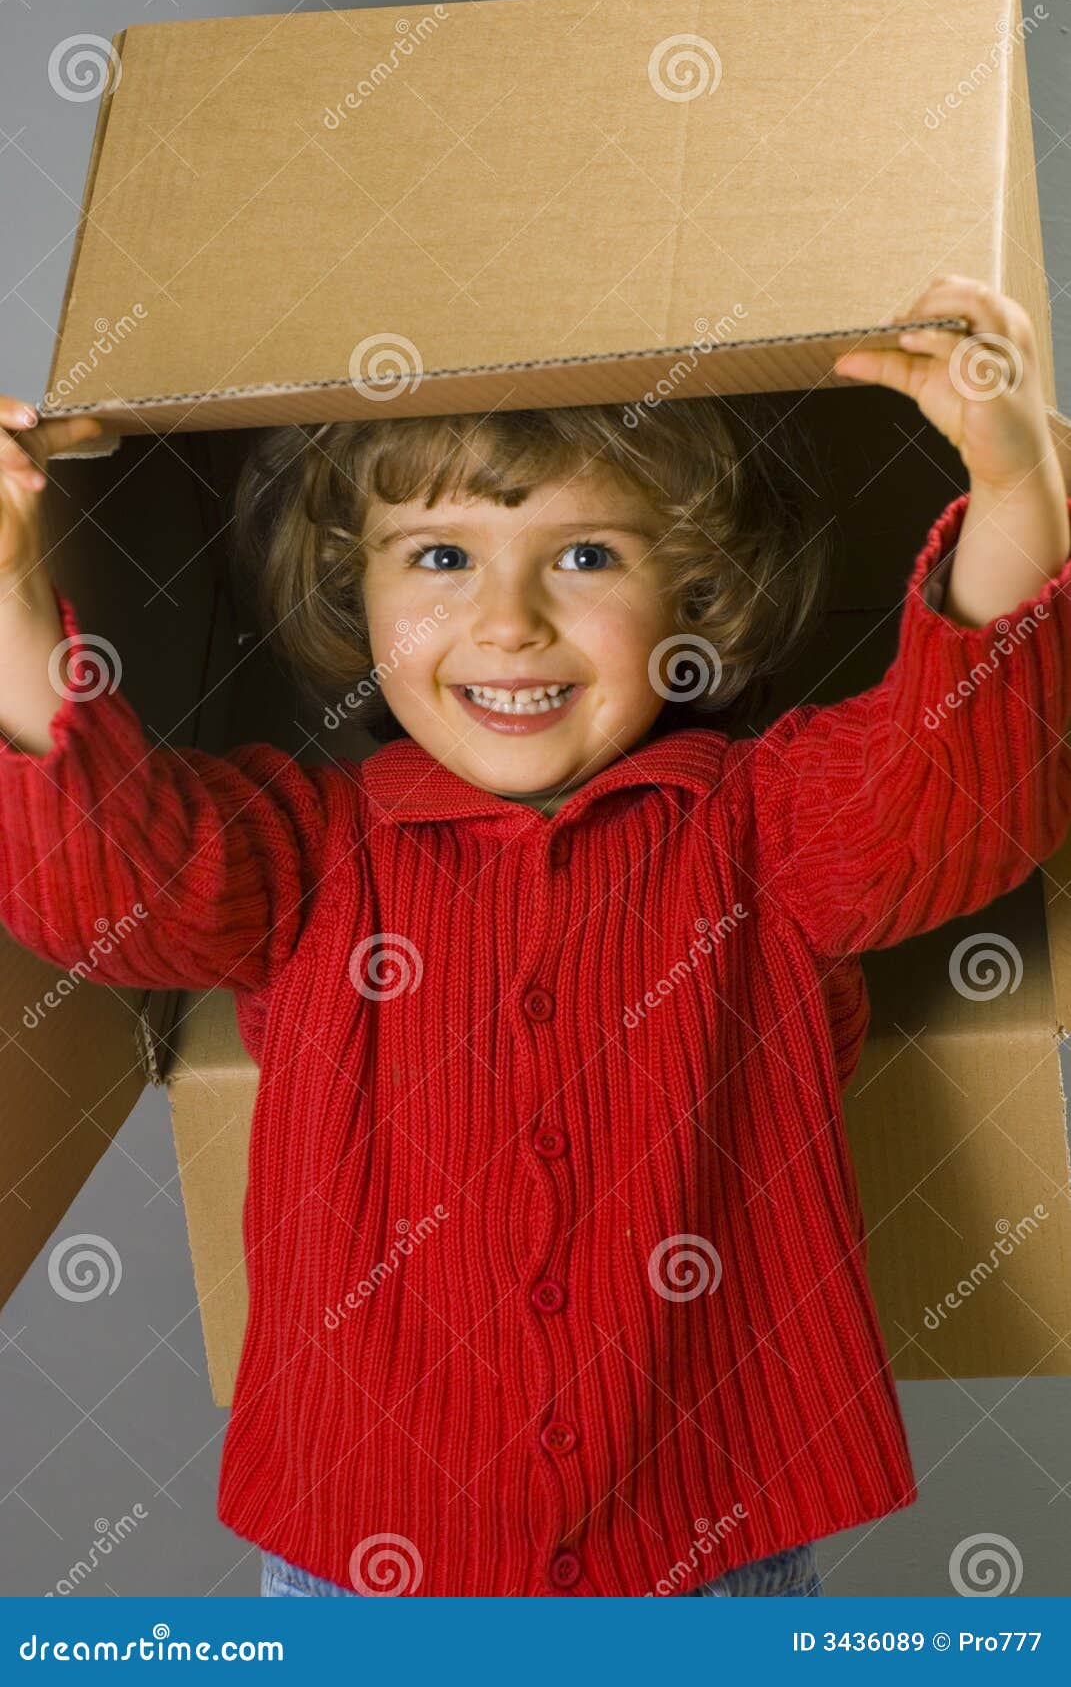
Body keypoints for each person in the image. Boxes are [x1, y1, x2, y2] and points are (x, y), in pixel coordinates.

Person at [1, 274, 1068, 1598]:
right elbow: (107, 878)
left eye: (586, 554)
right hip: (364, 1548)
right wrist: (12, 594)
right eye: (440, 557)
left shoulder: (768, 829)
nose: (508, 620)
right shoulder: (307, 851)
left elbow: (957, 789)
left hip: (697, 1544)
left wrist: (1016, 487)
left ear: (696, 594)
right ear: (359, 589)